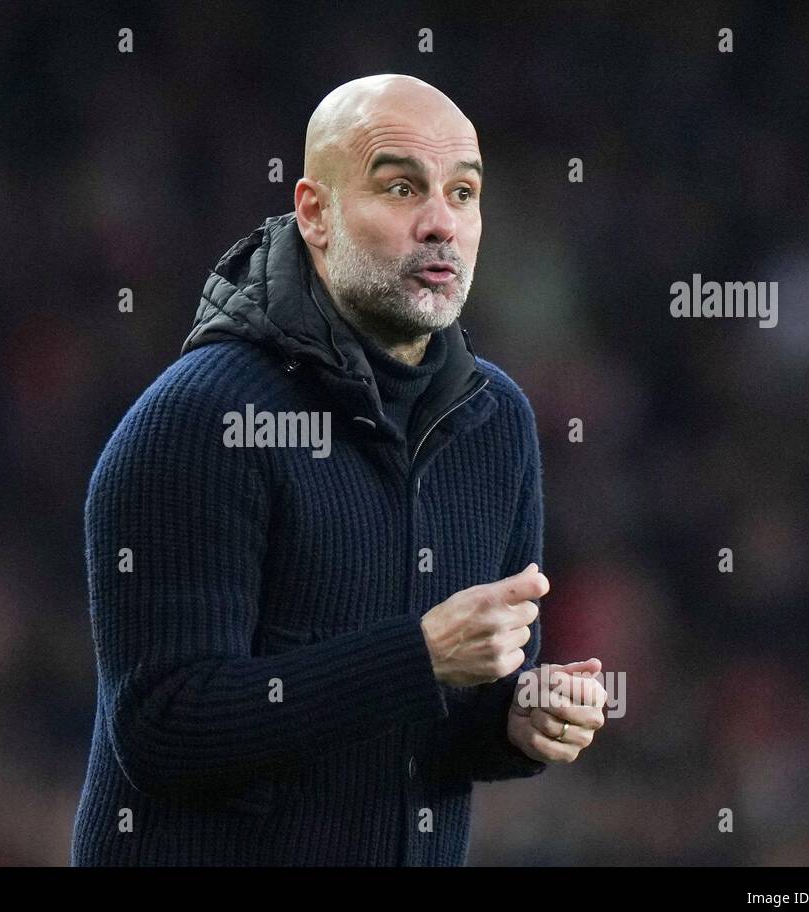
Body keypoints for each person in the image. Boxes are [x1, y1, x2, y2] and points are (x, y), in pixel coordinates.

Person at [71, 74, 607, 866]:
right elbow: (163, 729)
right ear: (315, 213)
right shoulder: (201, 419)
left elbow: (448, 720)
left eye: (464, 194)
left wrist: (518, 723)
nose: (440, 224)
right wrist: (416, 656)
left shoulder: (495, 425)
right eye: (400, 188)